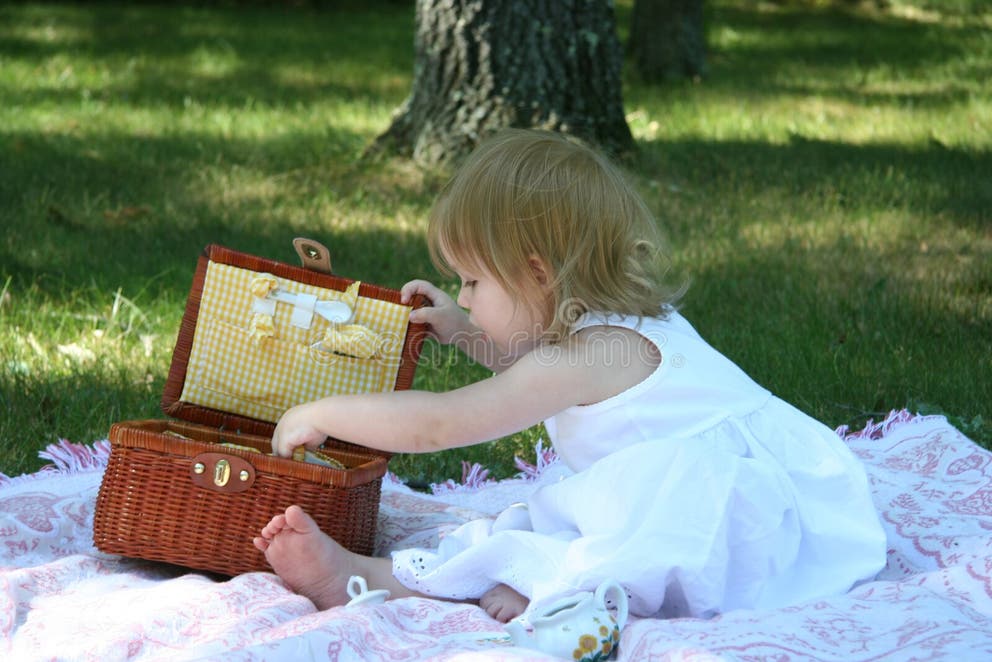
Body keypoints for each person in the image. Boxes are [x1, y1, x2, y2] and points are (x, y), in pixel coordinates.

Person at [253, 129, 886, 624]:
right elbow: (524, 362)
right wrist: (464, 330)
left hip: (720, 520)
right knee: (538, 521)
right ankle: (482, 574)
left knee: (542, 537)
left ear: (537, 275)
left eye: (472, 281)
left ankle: (366, 579)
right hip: (752, 488)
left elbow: (443, 422)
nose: (463, 295)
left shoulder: (582, 357)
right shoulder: (611, 327)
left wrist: (321, 413)